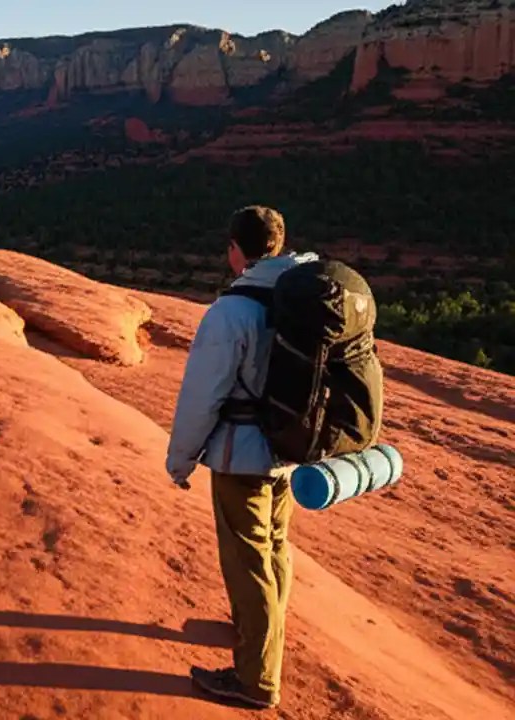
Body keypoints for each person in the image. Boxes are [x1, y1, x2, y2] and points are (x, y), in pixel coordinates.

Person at [166, 206, 318, 710]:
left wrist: (180, 460)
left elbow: (202, 395)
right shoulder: (304, 296)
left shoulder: (231, 312)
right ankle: (261, 632)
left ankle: (255, 680)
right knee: (274, 546)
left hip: (241, 455)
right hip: (287, 449)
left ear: (236, 248)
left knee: (247, 561)